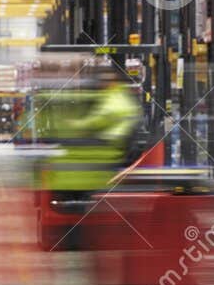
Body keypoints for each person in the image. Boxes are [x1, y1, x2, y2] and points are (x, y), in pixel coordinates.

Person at [39, 63, 142, 195]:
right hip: (109, 141)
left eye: (104, 81)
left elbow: (98, 120)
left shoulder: (116, 98)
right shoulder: (117, 94)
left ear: (113, 81)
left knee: (63, 149)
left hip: (110, 144)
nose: (100, 84)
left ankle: (70, 190)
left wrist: (75, 124)